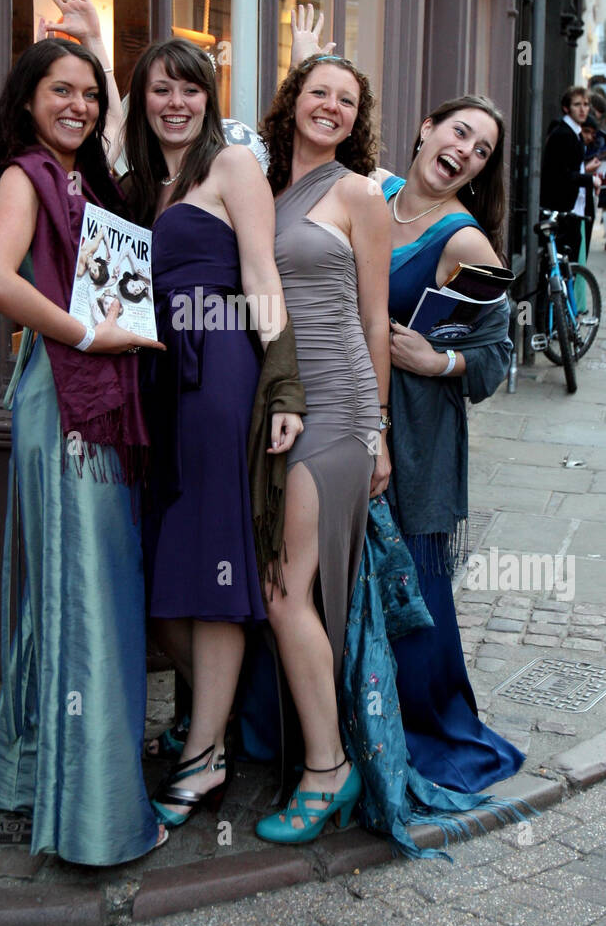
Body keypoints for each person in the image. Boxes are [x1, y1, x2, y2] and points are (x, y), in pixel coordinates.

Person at [0, 39, 167, 865]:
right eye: (62, 91)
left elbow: (115, 147)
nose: (79, 105)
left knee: (78, 584)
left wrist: (104, 59)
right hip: (61, 396)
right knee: (85, 590)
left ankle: (30, 778)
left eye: (90, 93)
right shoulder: (26, 174)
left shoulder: (83, 176)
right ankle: (97, 819)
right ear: (26, 100)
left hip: (90, 393)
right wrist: (89, 330)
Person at [122, 38, 304, 828]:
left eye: (189, 89)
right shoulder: (138, 186)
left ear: (208, 98)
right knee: (163, 576)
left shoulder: (231, 167)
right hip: (153, 383)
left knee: (212, 568)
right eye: (160, 90)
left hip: (221, 374)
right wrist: (95, 45)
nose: (175, 103)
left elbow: (263, 276)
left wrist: (285, 385)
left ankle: (203, 756)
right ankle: (239, 719)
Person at [252, 52, 392, 843]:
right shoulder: (261, 187)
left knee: (284, 591)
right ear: (291, 101)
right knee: (272, 589)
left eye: (345, 100)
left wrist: (376, 431)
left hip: (336, 407)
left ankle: (326, 769)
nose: (330, 108)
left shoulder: (358, 193)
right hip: (273, 408)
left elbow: (373, 320)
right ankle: (298, 751)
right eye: (317, 93)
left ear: (355, 118)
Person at [375, 95, 524, 793]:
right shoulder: (368, 192)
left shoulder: (464, 241)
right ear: (426, 127)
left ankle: (422, 723)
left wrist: (435, 362)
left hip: (418, 438)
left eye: (481, 150)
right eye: (458, 132)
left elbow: (496, 355)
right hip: (345, 418)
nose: (465, 150)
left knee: (414, 581)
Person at [540, 85, 600, 259]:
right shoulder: (564, 134)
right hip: (561, 210)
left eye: (586, 104)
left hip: (570, 210)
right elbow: (562, 175)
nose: (583, 109)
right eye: (577, 104)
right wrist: (590, 180)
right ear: (566, 108)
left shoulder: (574, 133)